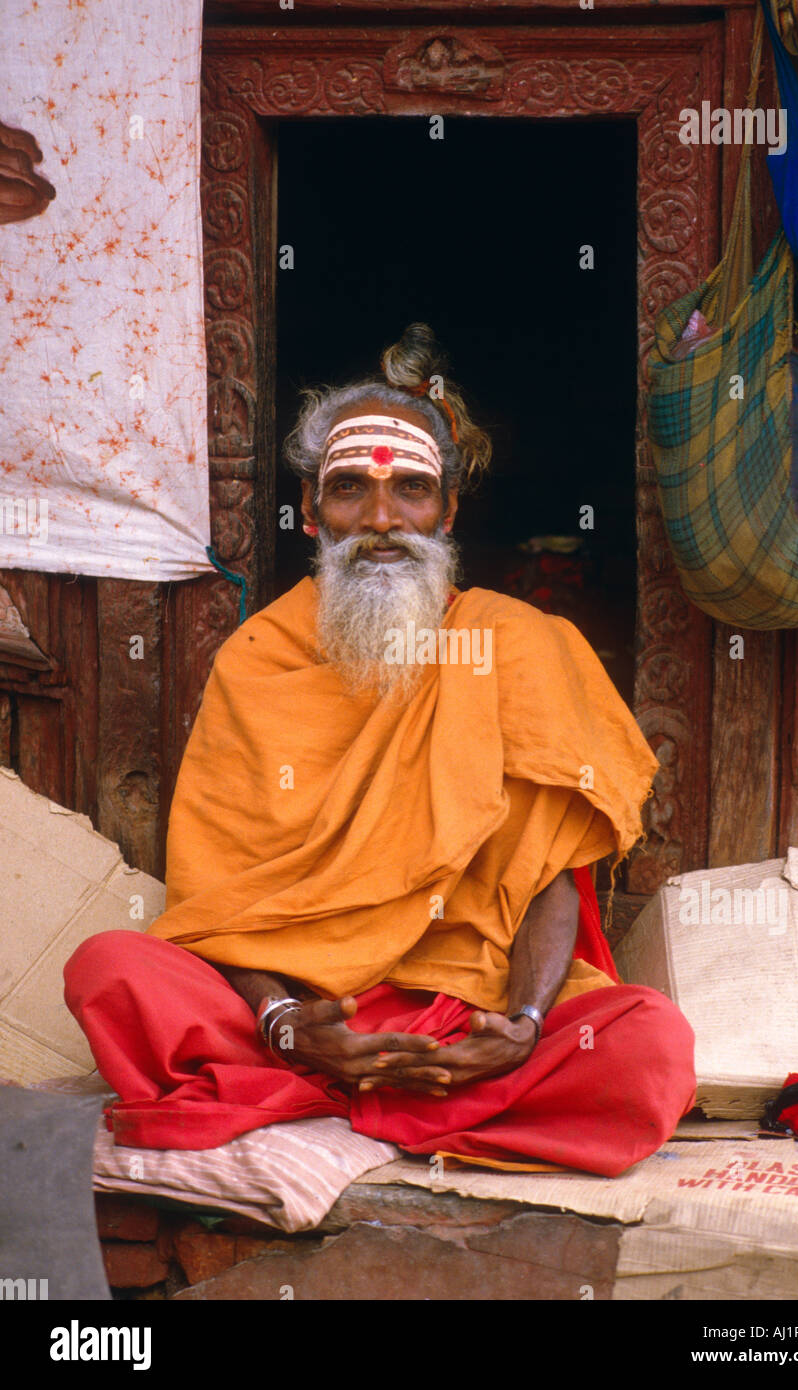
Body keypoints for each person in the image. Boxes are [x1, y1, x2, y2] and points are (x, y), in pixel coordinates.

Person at [65, 323, 696, 1175]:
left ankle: (352, 1099)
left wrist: (523, 1027)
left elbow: (553, 879)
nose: (382, 520)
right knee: (109, 969)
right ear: (309, 510)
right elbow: (220, 905)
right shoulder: (258, 659)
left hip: (463, 1018)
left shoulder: (520, 645)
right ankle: (347, 1089)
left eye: (411, 491)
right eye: (351, 490)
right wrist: (288, 1025)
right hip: (291, 1025)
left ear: (449, 510)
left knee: (651, 1045)